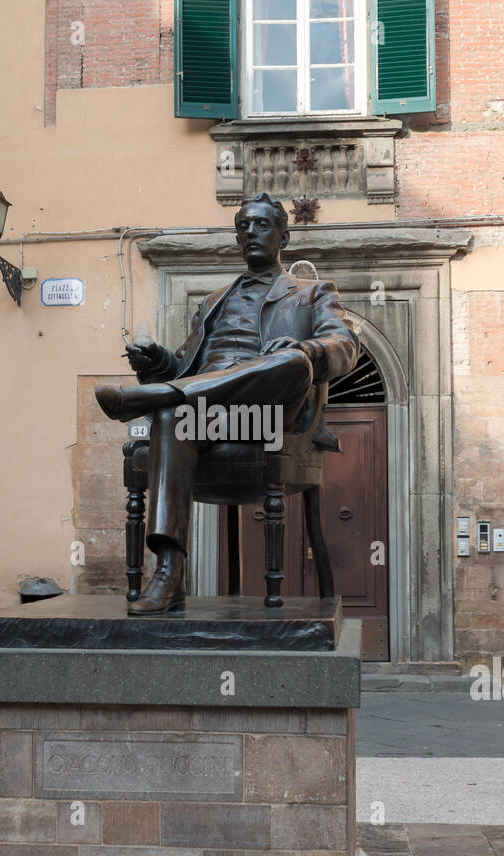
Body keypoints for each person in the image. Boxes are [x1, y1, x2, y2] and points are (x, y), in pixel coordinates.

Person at [95, 194, 359, 612]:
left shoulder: (312, 293)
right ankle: (168, 573)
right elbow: (185, 365)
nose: (250, 233)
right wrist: (159, 362)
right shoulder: (213, 299)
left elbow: (345, 345)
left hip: (267, 417)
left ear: (284, 236)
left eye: (261, 225)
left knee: (289, 361)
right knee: (174, 414)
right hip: (212, 418)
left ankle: (158, 400)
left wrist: (307, 349)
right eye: (243, 227)